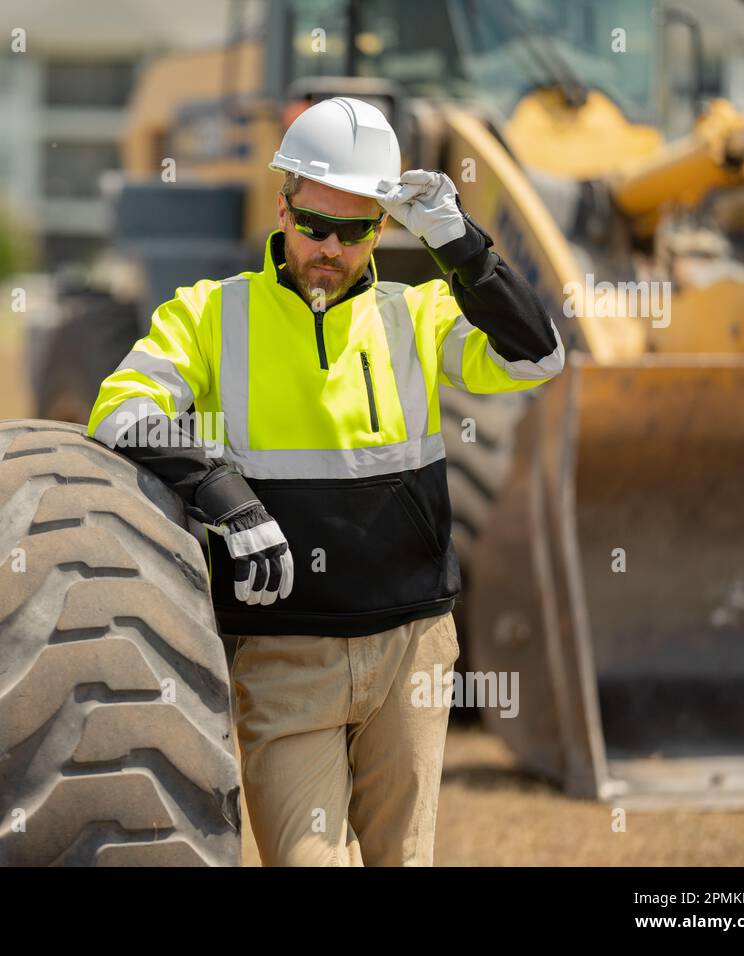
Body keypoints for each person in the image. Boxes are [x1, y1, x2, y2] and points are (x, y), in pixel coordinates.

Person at [86, 96, 563, 865]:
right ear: (283, 207)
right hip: (286, 661)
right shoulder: (211, 315)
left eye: (355, 229)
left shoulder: (419, 314)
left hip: (412, 651)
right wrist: (224, 496)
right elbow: (119, 412)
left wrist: (458, 240)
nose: (330, 248)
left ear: (381, 227)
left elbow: (536, 357)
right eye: (314, 225)